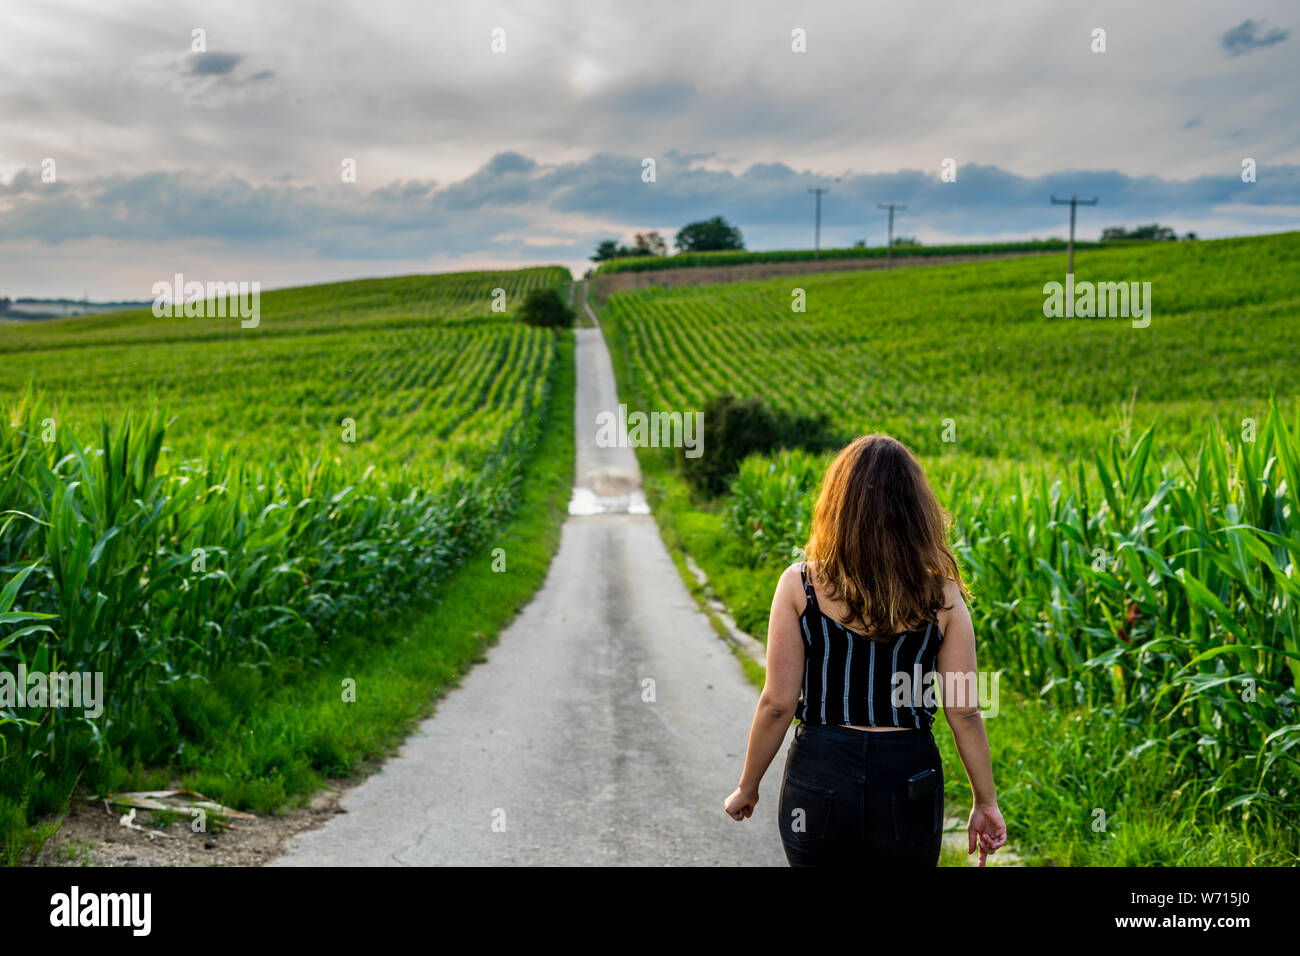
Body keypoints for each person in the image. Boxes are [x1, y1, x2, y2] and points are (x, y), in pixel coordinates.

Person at [723, 434, 1007, 866]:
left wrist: (748, 786)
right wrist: (985, 803)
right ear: (916, 511)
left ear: (837, 504)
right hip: (909, 778)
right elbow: (964, 711)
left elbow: (778, 704)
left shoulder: (799, 586)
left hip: (820, 774)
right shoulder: (943, 596)